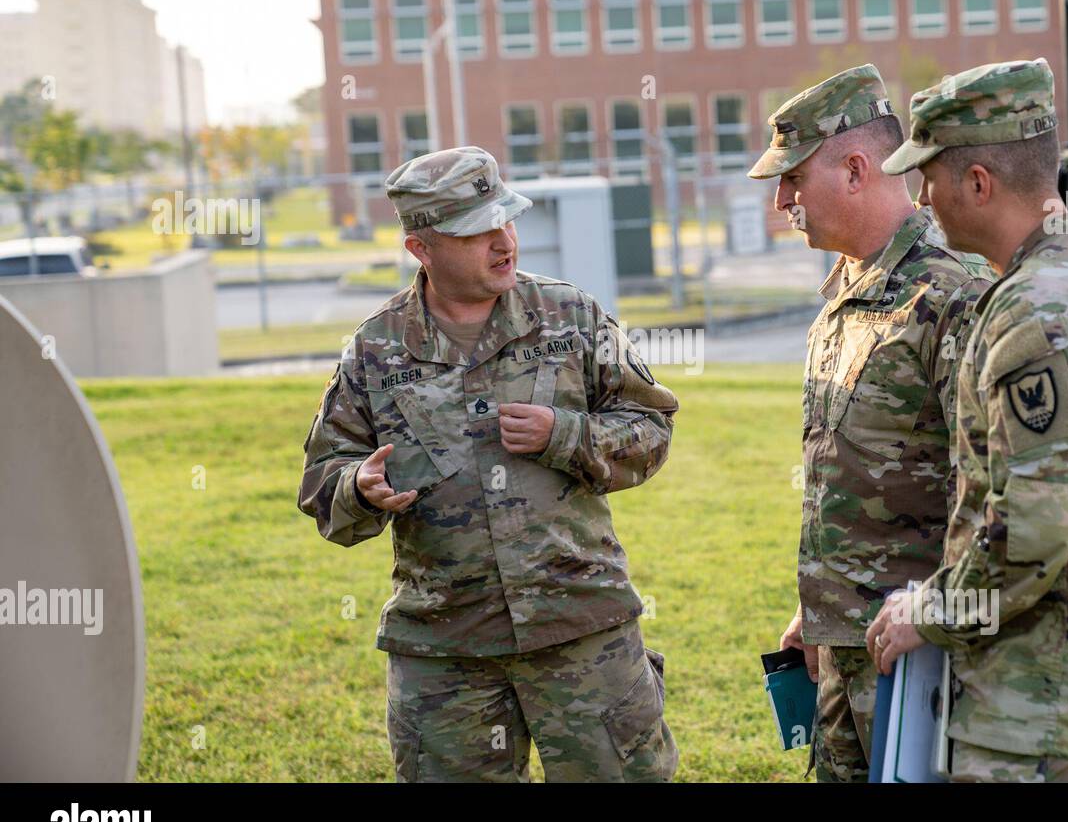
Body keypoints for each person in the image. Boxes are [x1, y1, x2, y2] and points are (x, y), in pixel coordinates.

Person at [298, 145, 679, 782]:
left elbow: (651, 430)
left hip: (580, 623)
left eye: (507, 219)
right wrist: (359, 490)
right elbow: (323, 486)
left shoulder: (572, 317)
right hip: (447, 646)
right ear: (421, 249)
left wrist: (568, 435)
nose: (504, 242)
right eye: (477, 232)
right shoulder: (375, 349)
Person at [868, 58, 1068, 782]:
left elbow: (1038, 524)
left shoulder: (1039, 310)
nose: (921, 196)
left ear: (978, 183)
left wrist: (930, 612)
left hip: (1050, 719)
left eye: (929, 174)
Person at [748, 65, 994, 781]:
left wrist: (942, 615)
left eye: (792, 177)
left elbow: (986, 488)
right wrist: (816, 607)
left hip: (922, 655)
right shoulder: (847, 292)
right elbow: (845, 471)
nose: (782, 199)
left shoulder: (953, 295)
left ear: (856, 168)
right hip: (845, 648)